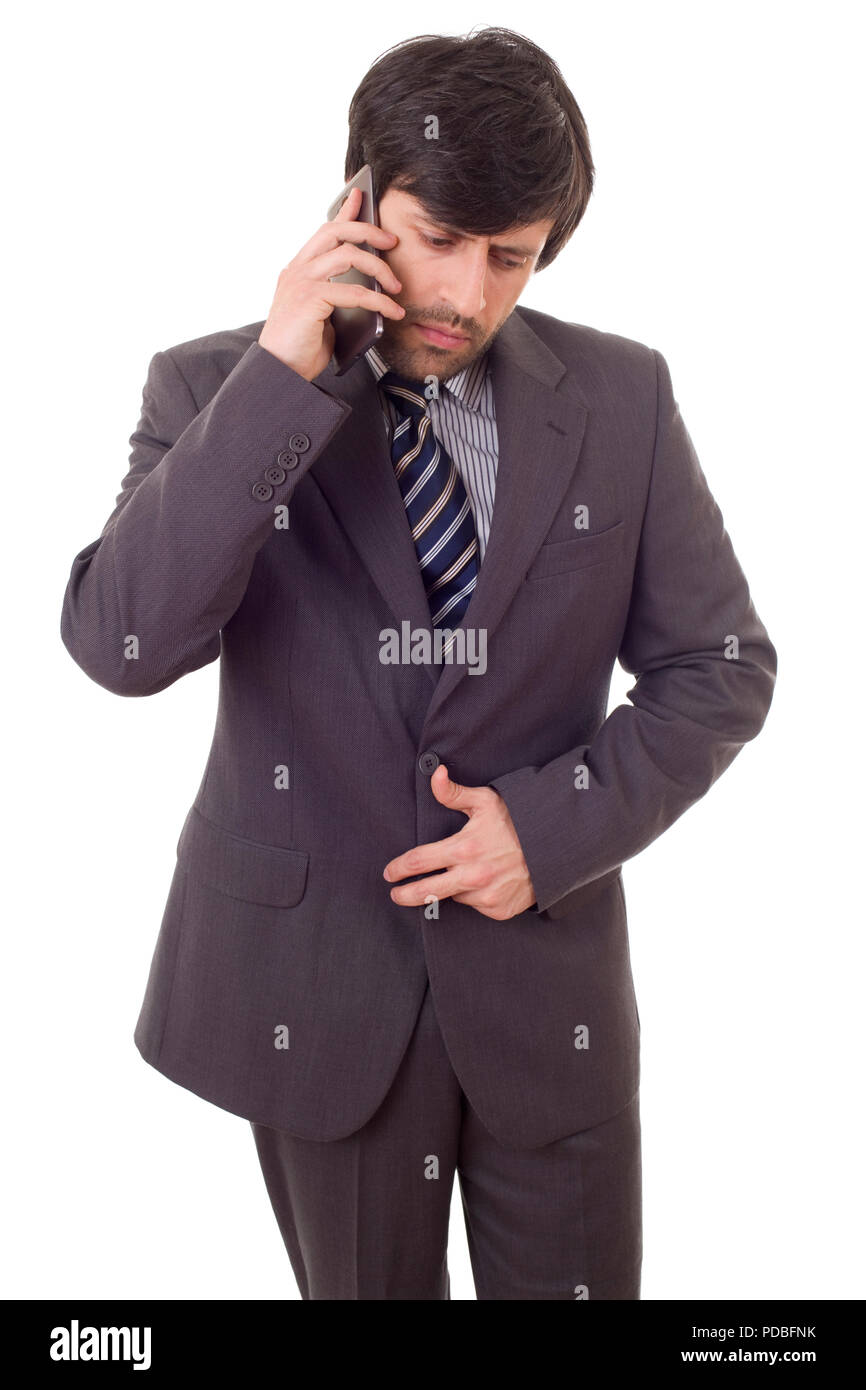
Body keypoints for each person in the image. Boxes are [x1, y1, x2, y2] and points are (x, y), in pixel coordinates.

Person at [60, 26, 777, 1300]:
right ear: (357, 201)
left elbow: (718, 665)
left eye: (511, 257)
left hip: (546, 1004)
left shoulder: (619, 398)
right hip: (317, 996)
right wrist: (285, 378)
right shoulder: (212, 386)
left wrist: (544, 829)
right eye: (437, 237)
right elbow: (123, 642)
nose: (465, 296)